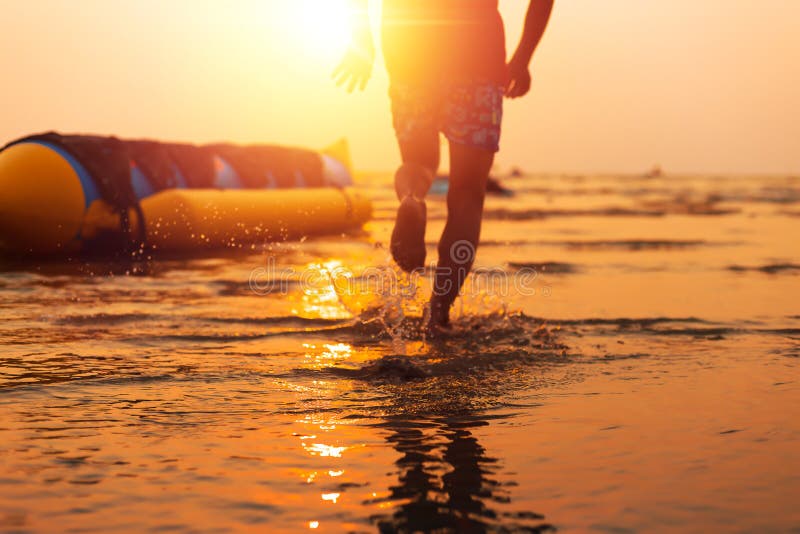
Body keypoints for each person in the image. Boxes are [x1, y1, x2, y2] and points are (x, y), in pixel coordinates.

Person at [334, 0, 554, 335]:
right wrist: (522, 59)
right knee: (466, 196)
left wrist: (361, 42)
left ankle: (411, 198)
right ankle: (438, 315)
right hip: (478, 59)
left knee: (418, 164)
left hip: (409, 55)